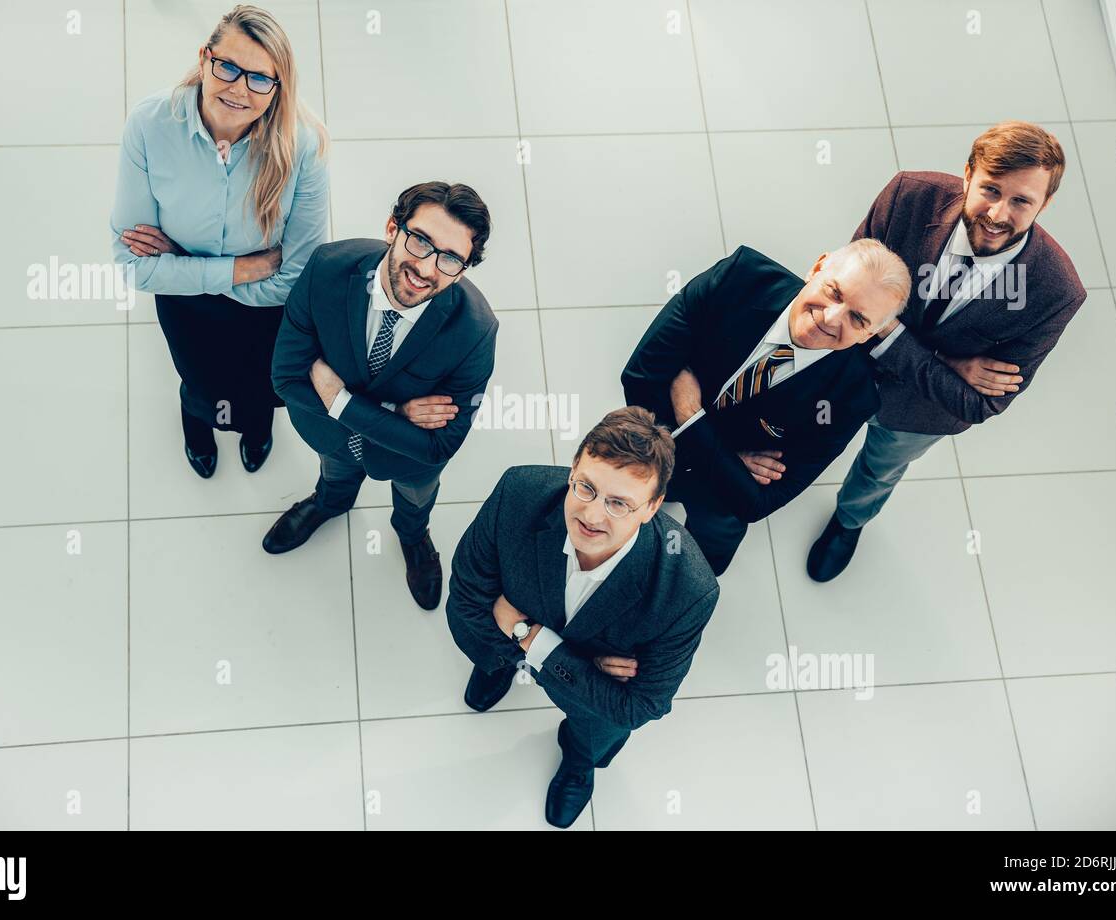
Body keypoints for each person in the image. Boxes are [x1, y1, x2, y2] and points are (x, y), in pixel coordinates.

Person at [807, 121, 1087, 582]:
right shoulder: (908, 196)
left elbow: (979, 402)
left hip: (919, 414)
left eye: (1021, 201)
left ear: (1046, 204)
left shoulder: (1056, 291)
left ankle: (847, 523)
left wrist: (891, 334)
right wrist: (945, 364)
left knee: (878, 472)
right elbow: (849, 292)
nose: (998, 214)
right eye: (990, 190)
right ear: (967, 175)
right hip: (842, 366)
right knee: (803, 432)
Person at [447, 407, 719, 828]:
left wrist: (530, 636)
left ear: (652, 507)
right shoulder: (519, 491)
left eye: (618, 503)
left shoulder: (687, 590)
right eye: (586, 488)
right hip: (511, 646)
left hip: (581, 698)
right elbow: (467, 591)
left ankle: (577, 765)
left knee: (592, 734)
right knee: (490, 647)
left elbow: (640, 706)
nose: (591, 516)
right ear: (573, 468)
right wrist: (584, 665)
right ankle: (498, 667)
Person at [111, 4, 329, 479]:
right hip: (187, 306)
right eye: (227, 66)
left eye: (259, 78)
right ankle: (198, 426)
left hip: (265, 308)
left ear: (277, 88)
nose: (238, 88)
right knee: (200, 381)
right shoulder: (150, 125)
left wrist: (184, 264)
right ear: (205, 57)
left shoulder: (303, 145)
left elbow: (296, 278)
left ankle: (255, 428)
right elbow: (133, 265)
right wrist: (245, 267)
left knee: (262, 384)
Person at [265, 182, 497, 611]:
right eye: (421, 240)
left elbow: (438, 446)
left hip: (403, 459)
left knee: (415, 499)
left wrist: (342, 402)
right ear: (393, 227)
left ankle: (412, 536)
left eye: (450, 259)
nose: (427, 268)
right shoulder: (327, 269)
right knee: (334, 475)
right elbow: (285, 379)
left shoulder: (475, 330)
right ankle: (329, 503)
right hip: (329, 435)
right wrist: (398, 414)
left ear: (461, 271)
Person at [622, 239, 909, 576]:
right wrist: (728, 463)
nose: (831, 319)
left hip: (719, 500)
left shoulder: (852, 398)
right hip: (672, 453)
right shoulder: (739, 277)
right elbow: (640, 378)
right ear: (817, 267)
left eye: (858, 319)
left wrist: (690, 416)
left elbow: (757, 503)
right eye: (834, 292)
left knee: (699, 562)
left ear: (869, 334)